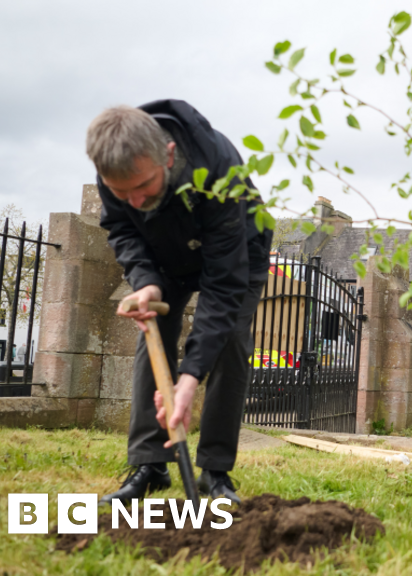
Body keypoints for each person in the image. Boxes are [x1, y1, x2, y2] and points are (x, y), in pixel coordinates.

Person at [87, 100, 272, 506]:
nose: (133, 199)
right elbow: (120, 225)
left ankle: (215, 471)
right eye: (122, 191)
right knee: (151, 331)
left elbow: (223, 287)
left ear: (167, 156)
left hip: (238, 250)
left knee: (230, 343)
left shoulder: (218, 170)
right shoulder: (114, 164)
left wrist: (188, 381)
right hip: (163, 253)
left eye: (143, 186)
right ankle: (150, 464)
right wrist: (147, 284)